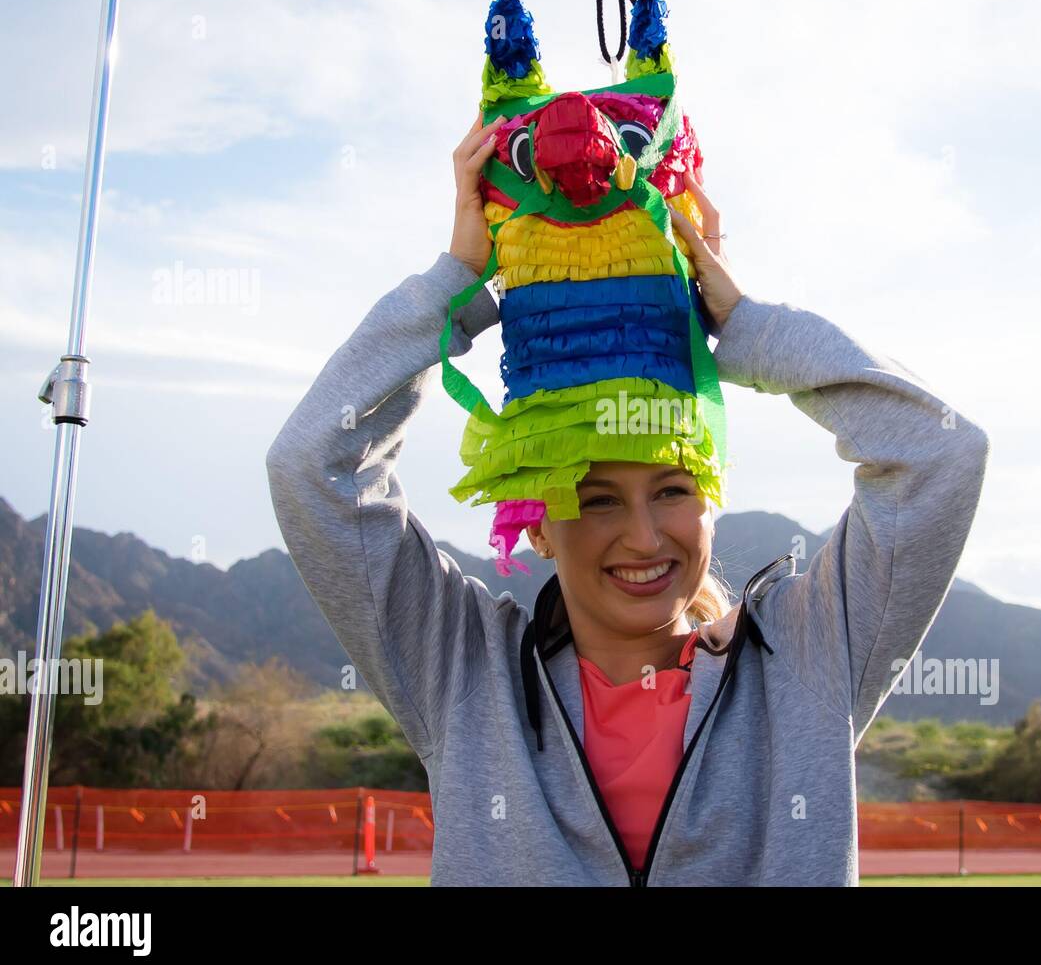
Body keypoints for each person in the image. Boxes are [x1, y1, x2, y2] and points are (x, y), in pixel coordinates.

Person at [265, 115, 991, 887]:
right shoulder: (463, 670)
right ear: (537, 524)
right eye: (598, 500)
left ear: (712, 498)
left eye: (673, 490)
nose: (644, 536)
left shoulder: (809, 657)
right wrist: (463, 291)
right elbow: (312, 463)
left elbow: (941, 449)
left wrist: (741, 326)